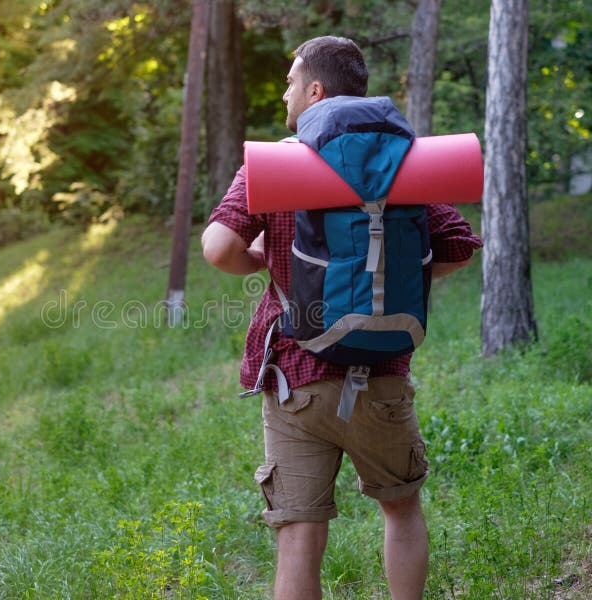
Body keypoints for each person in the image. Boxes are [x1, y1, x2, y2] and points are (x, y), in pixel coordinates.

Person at [201, 36, 482, 600]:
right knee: (400, 510)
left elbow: (217, 247)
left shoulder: (275, 162)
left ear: (316, 90)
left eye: (289, 82)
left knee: (299, 537)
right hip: (381, 374)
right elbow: (458, 246)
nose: (284, 94)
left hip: (297, 379)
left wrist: (263, 262)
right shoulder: (402, 162)